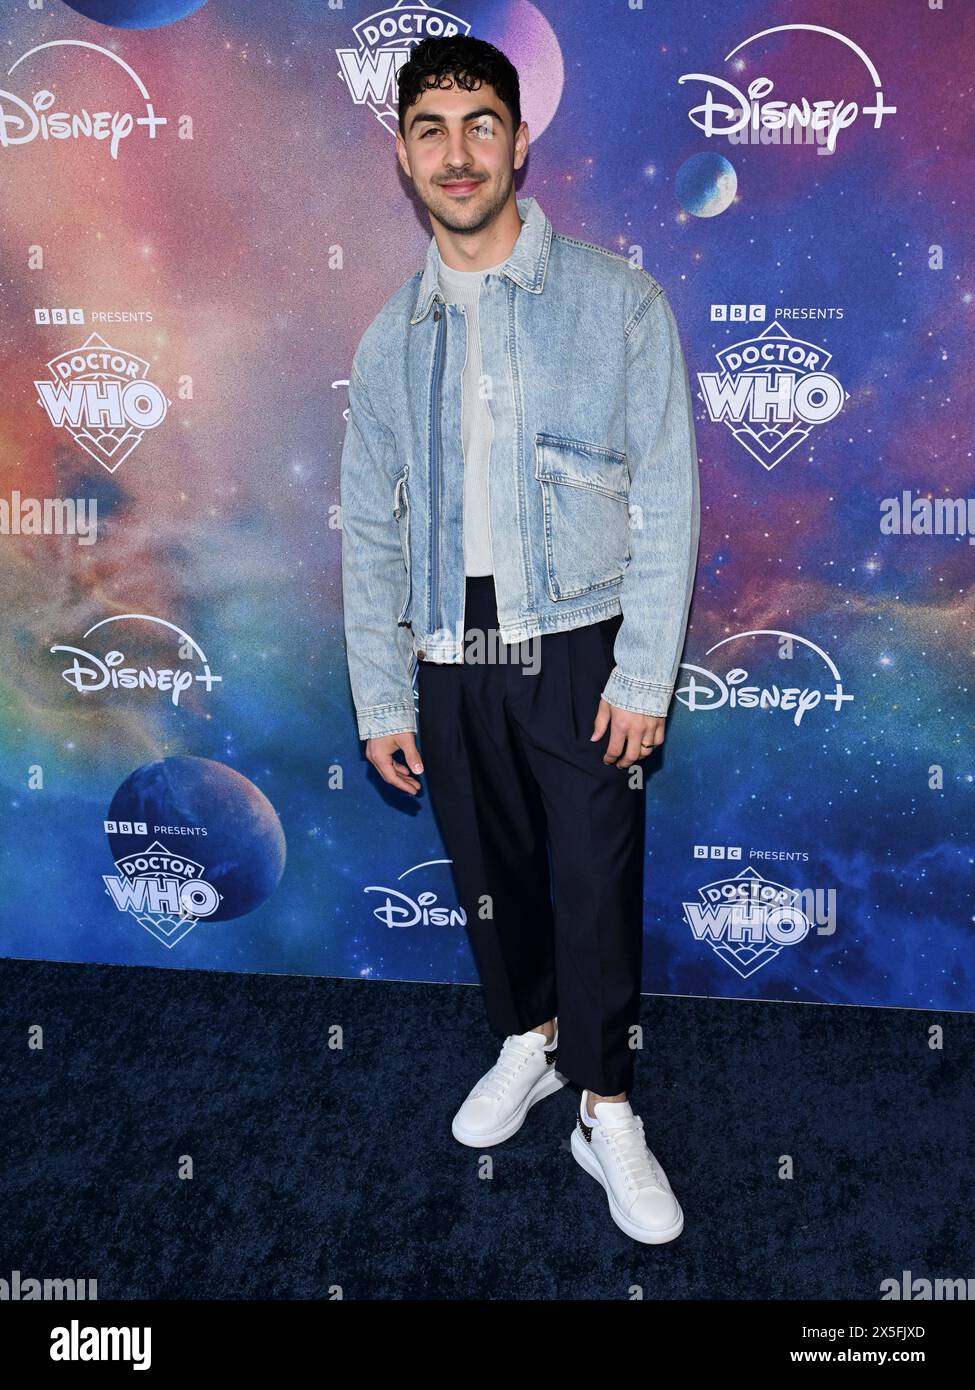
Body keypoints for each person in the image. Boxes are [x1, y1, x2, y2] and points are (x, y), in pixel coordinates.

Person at [340, 35, 700, 1245]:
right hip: (453, 647)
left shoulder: (618, 301)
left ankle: (606, 1106)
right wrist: (386, 694)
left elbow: (669, 498)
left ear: (519, 139)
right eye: (430, 127)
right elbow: (371, 539)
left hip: (579, 637)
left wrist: (644, 668)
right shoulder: (389, 340)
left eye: (480, 123)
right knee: (492, 880)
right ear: (402, 151)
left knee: (594, 882)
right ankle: (531, 1041)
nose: (457, 151)